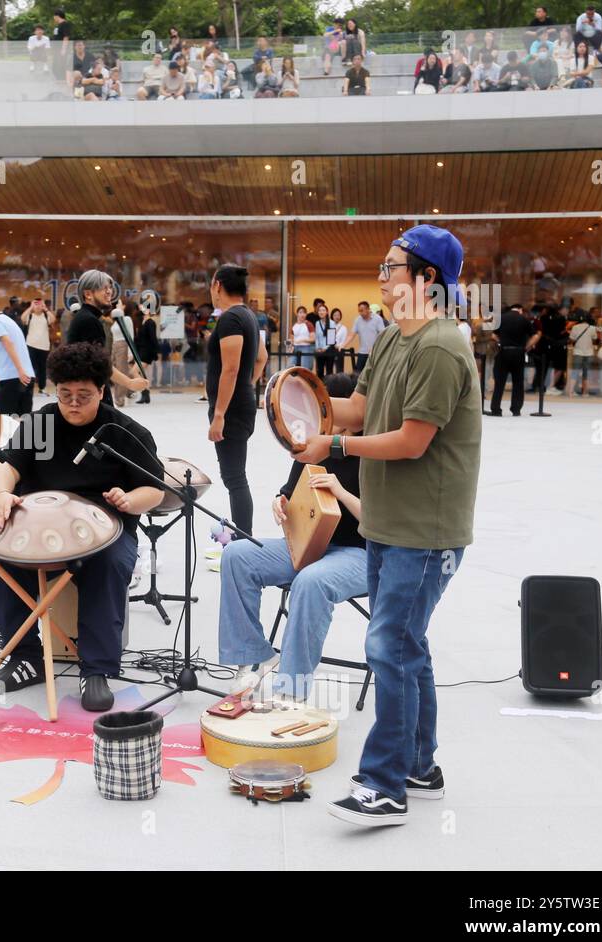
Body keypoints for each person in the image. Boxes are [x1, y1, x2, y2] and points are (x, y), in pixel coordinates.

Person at [298, 226, 481, 827]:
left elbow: (410, 440)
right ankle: (420, 767)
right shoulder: (392, 340)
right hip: (386, 522)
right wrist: (301, 410)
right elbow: (358, 407)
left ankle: (383, 786)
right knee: (407, 647)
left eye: (392, 265)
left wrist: (334, 444)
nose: (381, 275)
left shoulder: (439, 346)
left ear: (426, 279)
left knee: (388, 646)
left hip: (424, 531)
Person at [0, 343, 166, 712]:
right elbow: (6, 464)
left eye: (84, 396)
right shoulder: (42, 424)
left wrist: (130, 501)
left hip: (104, 532)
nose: (73, 404)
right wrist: (3, 492)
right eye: (65, 394)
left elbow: (155, 490)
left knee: (109, 565)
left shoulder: (124, 432)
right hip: (39, 528)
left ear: (102, 390)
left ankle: (96, 668)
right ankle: (26, 657)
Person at [219, 373, 368, 701]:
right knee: (237, 555)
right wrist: (280, 503)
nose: (326, 424)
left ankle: (291, 691)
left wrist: (340, 492)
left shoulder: (372, 451)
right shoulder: (315, 444)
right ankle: (251, 659)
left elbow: (381, 522)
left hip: (360, 552)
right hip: (309, 544)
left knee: (311, 581)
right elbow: (289, 494)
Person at [206, 264, 268, 541]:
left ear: (217, 285)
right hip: (240, 403)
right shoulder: (249, 316)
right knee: (235, 475)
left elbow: (229, 369)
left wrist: (219, 413)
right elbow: (261, 357)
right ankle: (241, 536)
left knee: (234, 478)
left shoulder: (231, 319)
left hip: (231, 409)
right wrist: (248, 384)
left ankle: (244, 540)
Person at [66, 270, 148, 406]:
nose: (109, 291)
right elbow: (99, 364)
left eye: (110, 288)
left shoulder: (87, 317)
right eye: (104, 288)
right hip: (90, 395)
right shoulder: (89, 320)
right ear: (88, 294)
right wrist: (130, 383)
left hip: (89, 393)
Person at [0, 297, 34, 448]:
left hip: (14, 375)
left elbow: (7, 343)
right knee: (22, 415)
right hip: (27, 374)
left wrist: (19, 370)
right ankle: (27, 448)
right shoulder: (9, 321)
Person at [20, 298, 53, 393]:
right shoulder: (30, 316)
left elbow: (53, 319)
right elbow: (22, 318)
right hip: (31, 345)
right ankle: (28, 387)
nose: (38, 306)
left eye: (39, 304)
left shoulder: (46, 316)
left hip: (44, 346)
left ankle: (41, 388)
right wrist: (31, 307)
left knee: (42, 368)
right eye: (36, 304)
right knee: (30, 367)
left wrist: (45, 308)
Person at [567, 309, 602, 395]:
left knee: (575, 372)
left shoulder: (575, 327)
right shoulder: (592, 328)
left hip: (578, 352)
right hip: (589, 353)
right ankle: (585, 392)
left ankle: (570, 392)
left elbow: (571, 340)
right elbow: (594, 339)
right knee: (586, 373)